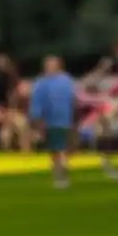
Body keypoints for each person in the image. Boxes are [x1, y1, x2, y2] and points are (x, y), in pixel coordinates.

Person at [29, 55, 78, 188]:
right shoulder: (42, 82)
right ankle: (59, 173)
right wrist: (37, 119)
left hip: (65, 119)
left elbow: (73, 99)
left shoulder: (66, 81)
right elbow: (37, 102)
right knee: (56, 149)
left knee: (62, 148)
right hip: (50, 120)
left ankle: (61, 173)